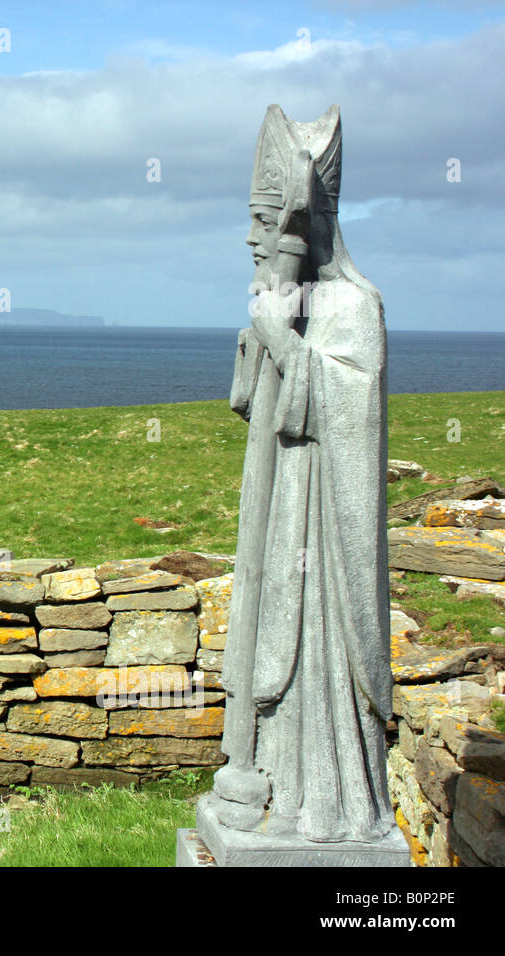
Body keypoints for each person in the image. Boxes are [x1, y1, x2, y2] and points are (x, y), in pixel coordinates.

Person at [209, 104, 395, 844]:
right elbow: (253, 405)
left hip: (325, 538)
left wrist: (286, 347)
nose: (252, 238)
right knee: (271, 644)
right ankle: (271, 788)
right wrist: (264, 337)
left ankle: (332, 801)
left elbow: (353, 417)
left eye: (264, 221)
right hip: (284, 513)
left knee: (312, 644)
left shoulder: (354, 303)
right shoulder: (293, 301)